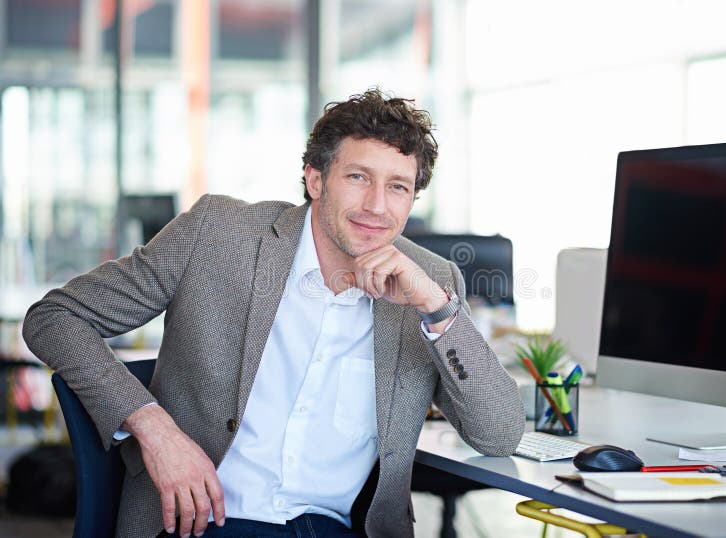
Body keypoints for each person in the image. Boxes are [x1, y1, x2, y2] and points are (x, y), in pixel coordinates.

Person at [24, 89, 525, 538]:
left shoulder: (430, 281)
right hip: (202, 521)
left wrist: (437, 310)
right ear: (315, 179)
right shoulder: (219, 234)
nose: (377, 206)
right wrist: (155, 428)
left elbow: (499, 433)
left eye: (398, 187)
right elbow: (55, 318)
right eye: (358, 177)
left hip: (331, 527)